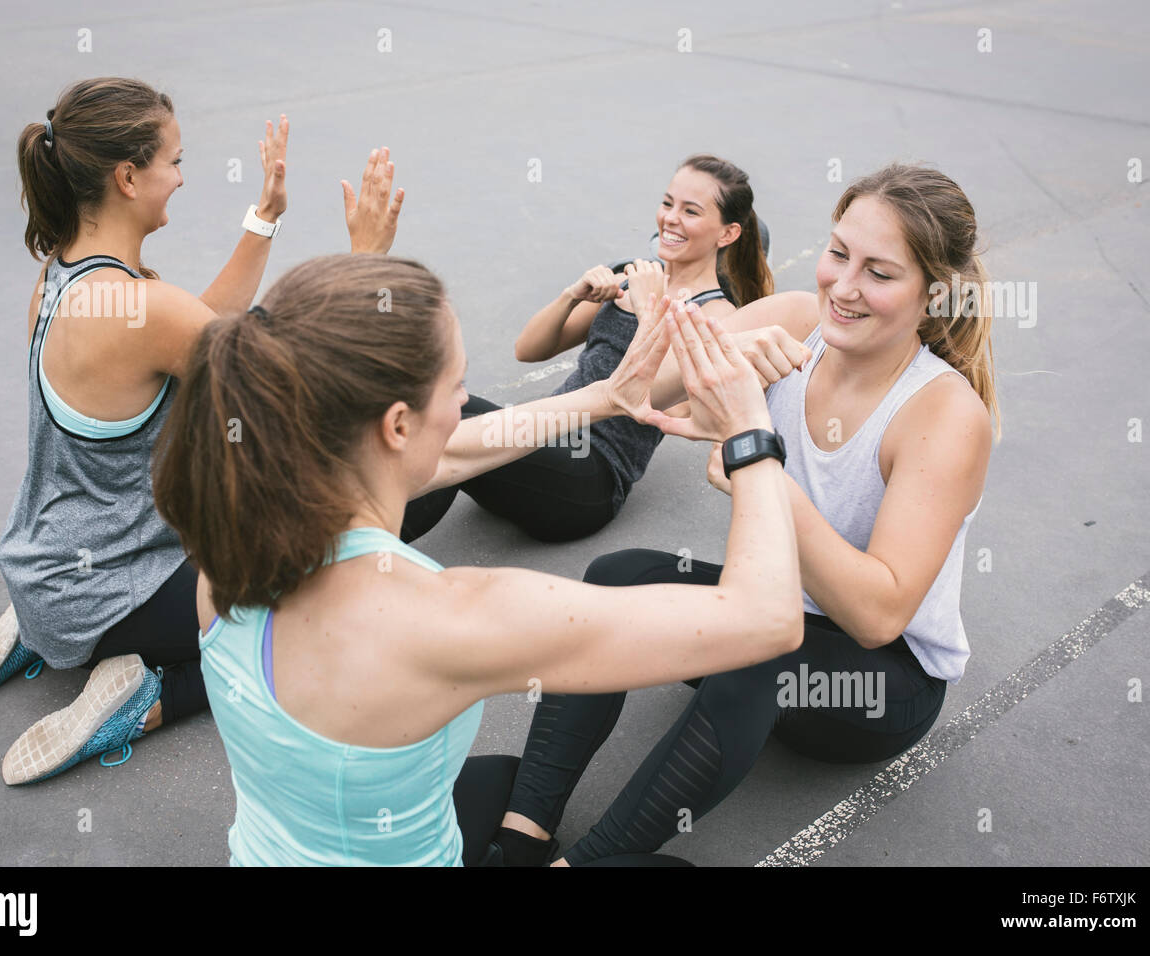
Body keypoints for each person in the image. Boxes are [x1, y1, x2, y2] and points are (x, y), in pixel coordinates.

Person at [150, 252, 807, 865]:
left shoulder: (236, 541)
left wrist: (610, 395)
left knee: (502, 780)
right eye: (457, 384)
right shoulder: (450, 617)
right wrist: (752, 434)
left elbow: (463, 447)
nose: (467, 401)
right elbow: (766, 618)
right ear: (398, 426)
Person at [493, 162, 999, 866]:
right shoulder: (794, 319)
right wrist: (715, 361)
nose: (843, 287)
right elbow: (643, 399)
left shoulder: (943, 415)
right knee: (616, 575)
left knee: (760, 654)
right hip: (775, 614)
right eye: (837, 252)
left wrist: (752, 450)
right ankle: (521, 834)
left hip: (884, 679)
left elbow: (878, 615)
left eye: (880, 274)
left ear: (932, 295)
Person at [0, 76, 405, 786]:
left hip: (45, 565)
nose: (181, 177)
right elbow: (280, 378)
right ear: (129, 176)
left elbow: (198, 336)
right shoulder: (141, 307)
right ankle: (149, 696)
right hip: (110, 594)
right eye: (173, 160)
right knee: (346, 559)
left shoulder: (61, 278)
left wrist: (264, 217)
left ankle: (37, 627)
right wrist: (366, 264)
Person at [399, 154, 773, 544]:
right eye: (667, 203)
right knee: (446, 416)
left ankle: (364, 549)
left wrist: (650, 311)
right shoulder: (631, 275)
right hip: (545, 435)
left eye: (691, 211)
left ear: (727, 234)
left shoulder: (718, 316)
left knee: (455, 416)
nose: (671, 218)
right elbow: (527, 350)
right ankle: (368, 539)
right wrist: (572, 297)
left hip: (590, 478)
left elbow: (655, 401)